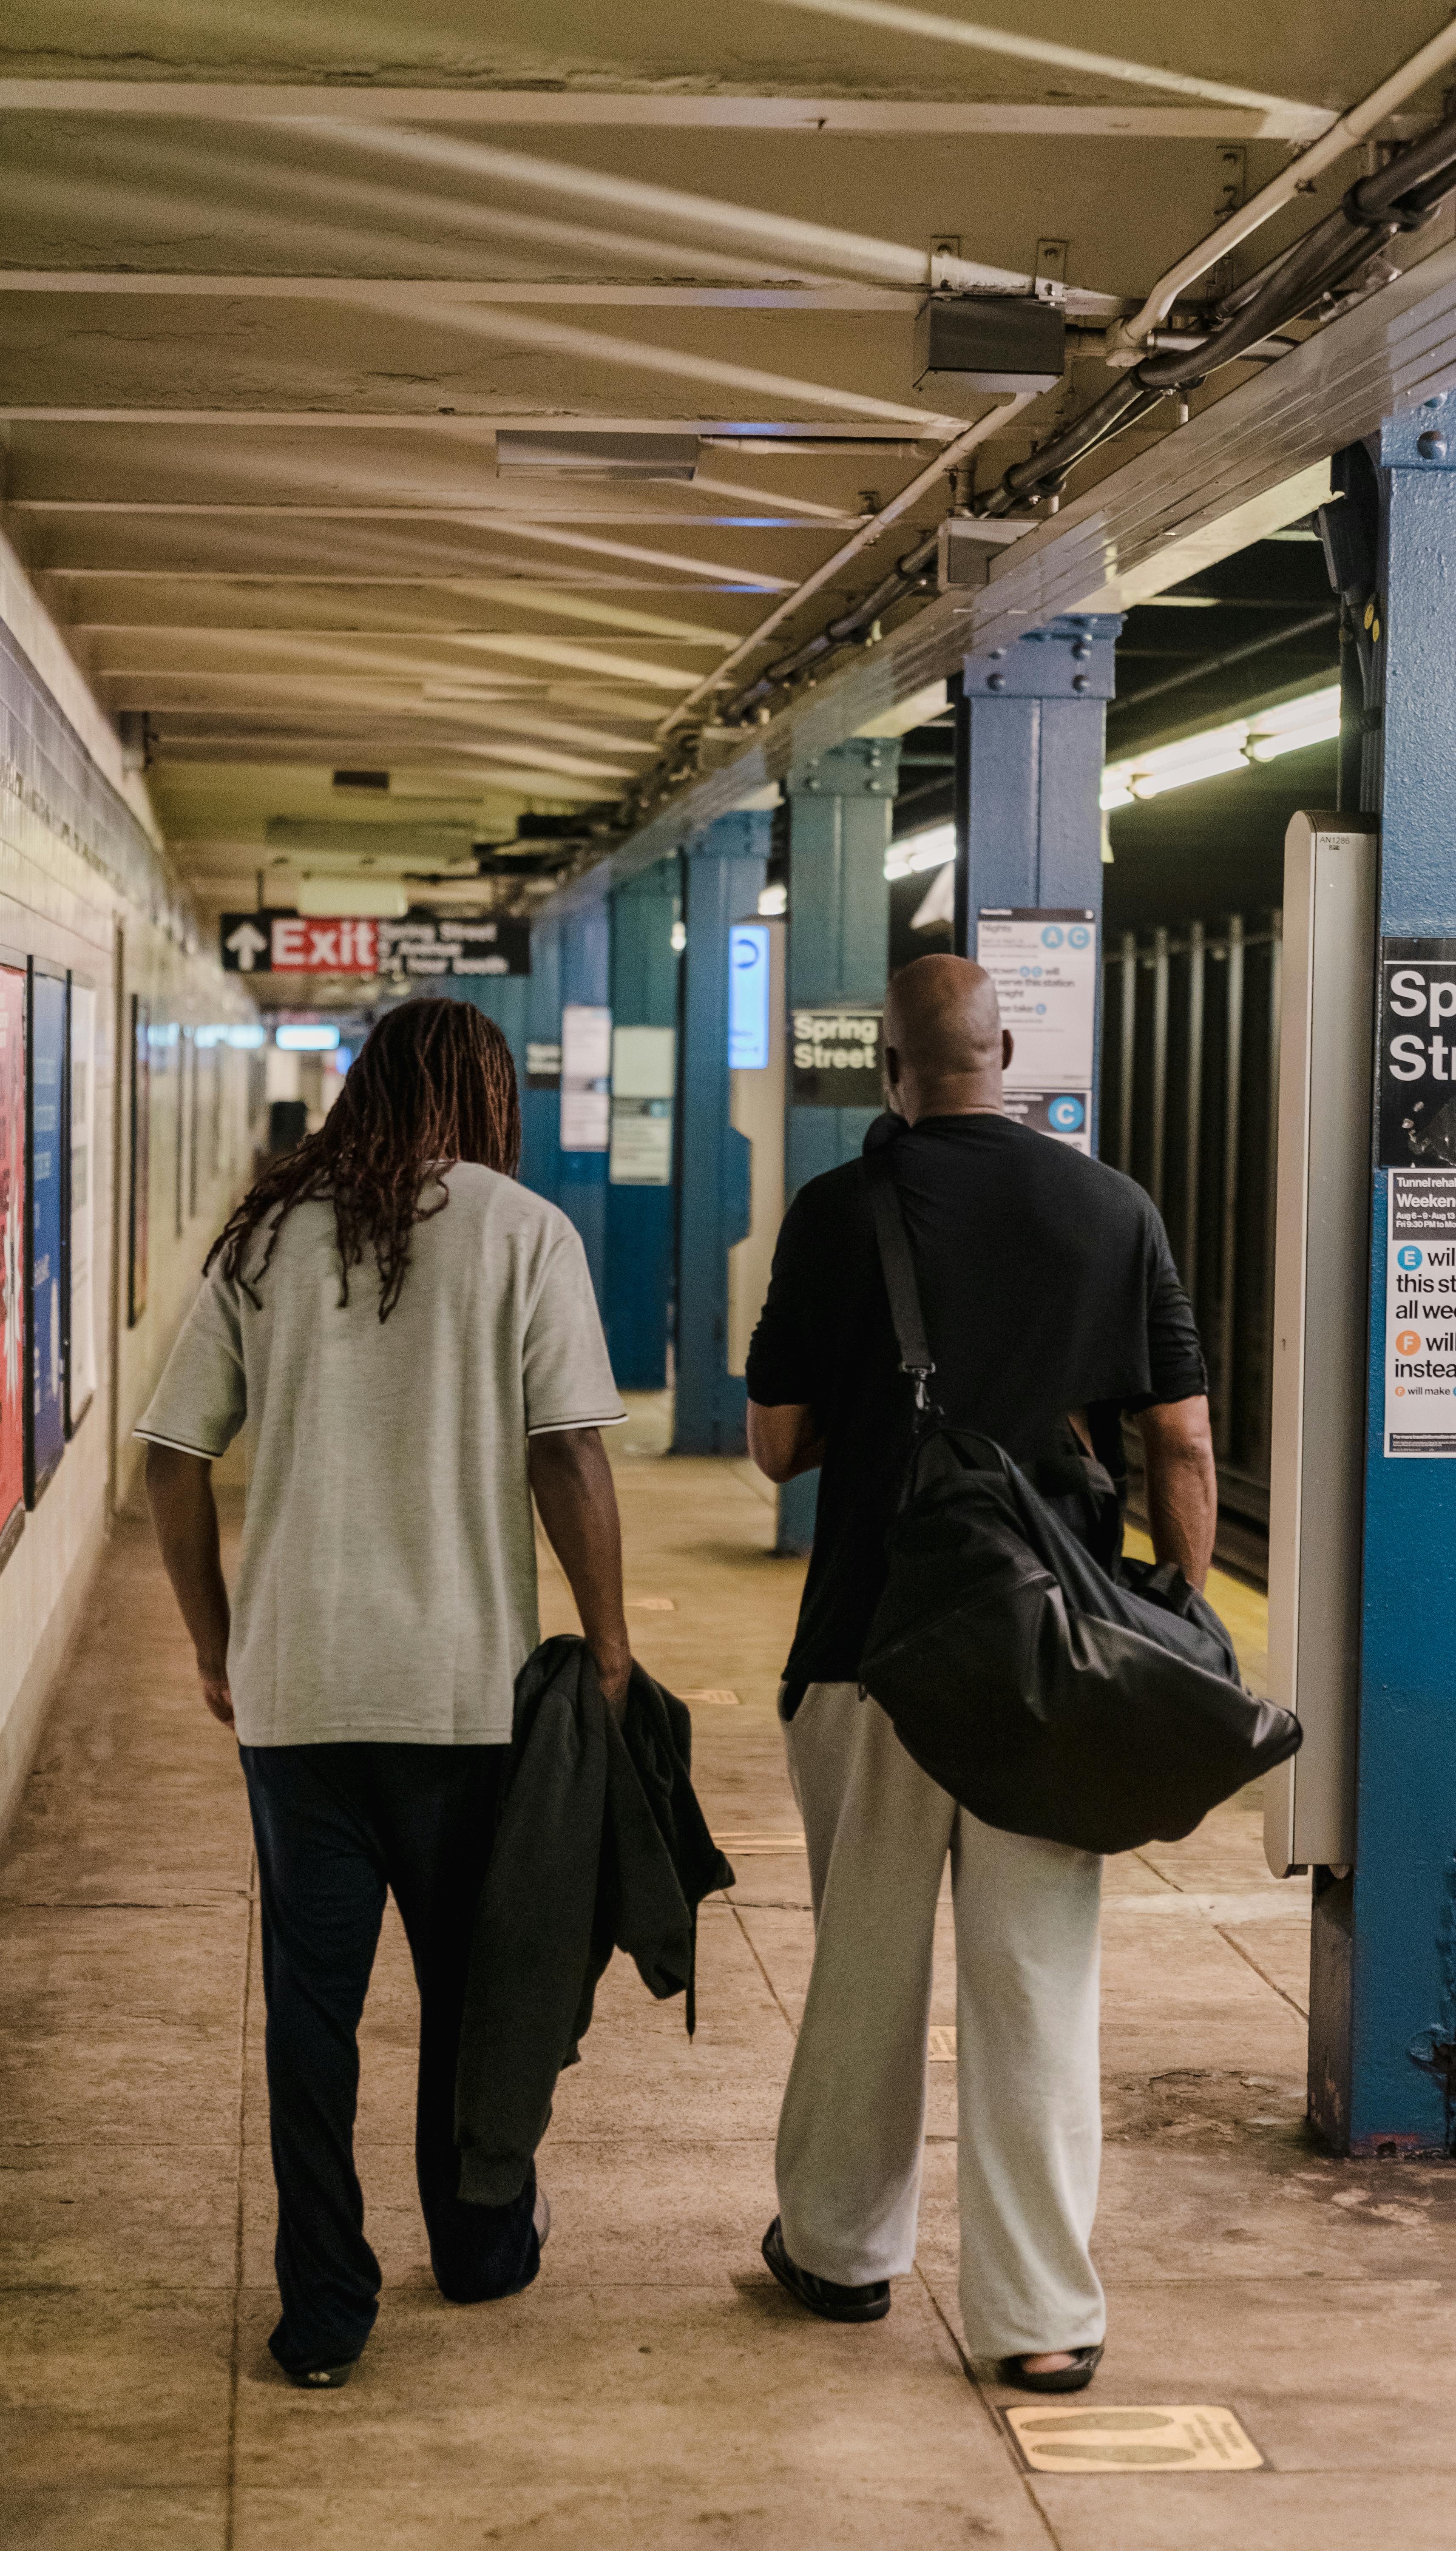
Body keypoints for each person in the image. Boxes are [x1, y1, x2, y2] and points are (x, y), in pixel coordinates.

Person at [139, 997, 631, 2389]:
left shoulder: (266, 1236)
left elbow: (172, 1457)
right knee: (474, 1996)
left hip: (299, 1695)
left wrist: (213, 1640)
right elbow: (571, 1460)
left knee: (313, 2011)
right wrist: (604, 1647)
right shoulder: (525, 1231)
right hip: (467, 1697)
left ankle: (324, 2315)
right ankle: (478, 2248)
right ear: (482, 1098)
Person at [744, 952, 1215, 2393]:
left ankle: (838, 2257)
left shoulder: (836, 1212)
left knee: (864, 1971)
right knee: (1036, 1985)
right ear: (1004, 1051)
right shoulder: (1112, 1207)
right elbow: (1183, 1444)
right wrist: (1175, 1616)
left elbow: (776, 1442)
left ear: (889, 1068)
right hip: (1052, 1661)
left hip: (874, 1645)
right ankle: (1038, 2318)